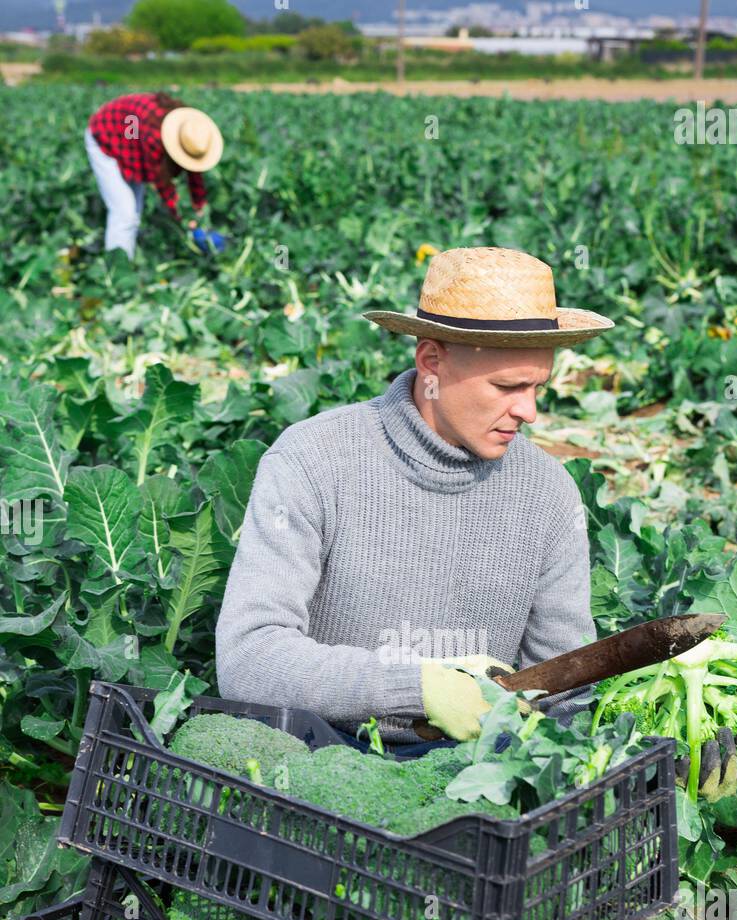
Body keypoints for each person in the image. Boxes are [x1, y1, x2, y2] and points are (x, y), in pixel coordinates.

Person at [216, 245, 615, 753]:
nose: (530, 411)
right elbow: (249, 659)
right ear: (430, 361)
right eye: (507, 386)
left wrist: (665, 743)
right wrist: (418, 689)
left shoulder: (548, 492)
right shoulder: (314, 460)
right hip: (321, 763)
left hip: (478, 775)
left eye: (539, 386)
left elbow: (564, 695)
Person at [84, 92, 223, 259]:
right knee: (125, 213)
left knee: (135, 211)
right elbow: (163, 184)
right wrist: (183, 221)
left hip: (129, 134)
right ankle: (116, 269)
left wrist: (200, 206)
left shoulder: (187, 127)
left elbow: (194, 173)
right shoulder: (154, 137)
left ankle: (127, 255)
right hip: (105, 136)